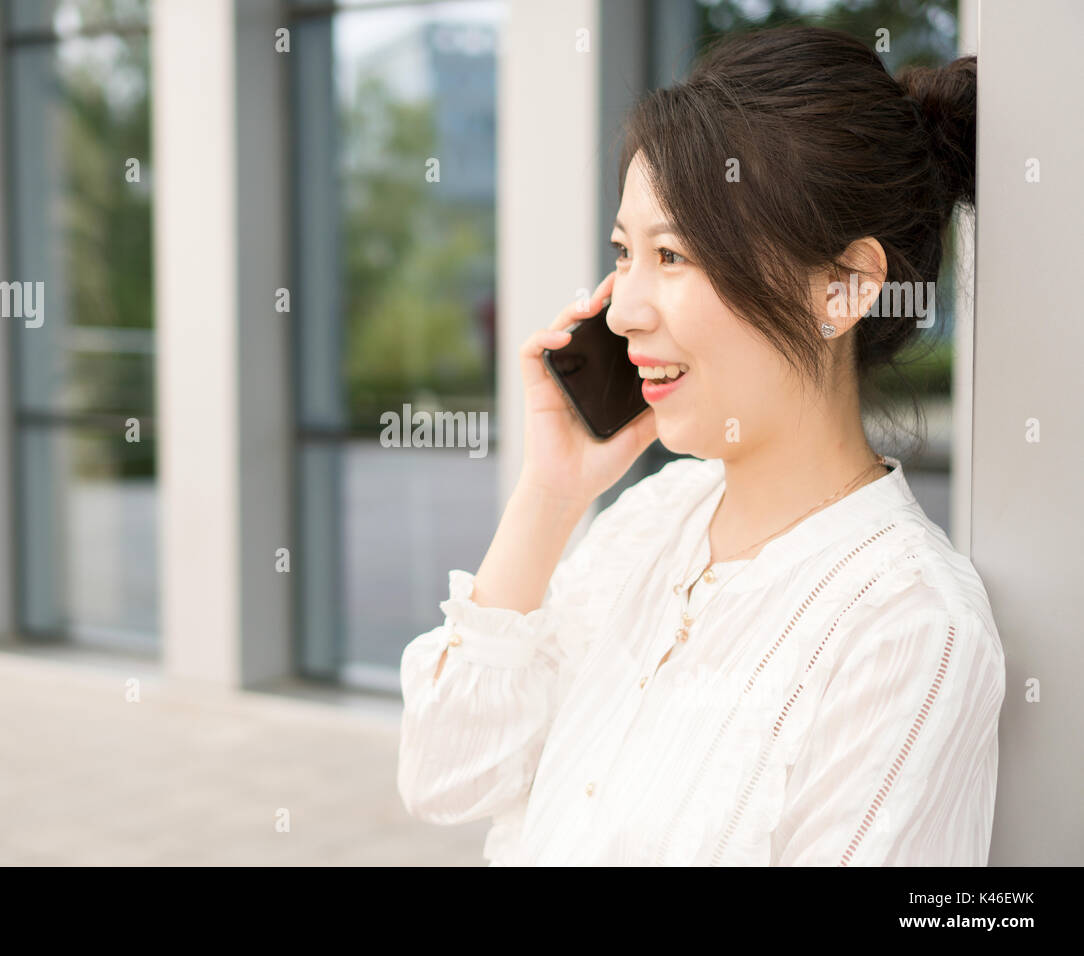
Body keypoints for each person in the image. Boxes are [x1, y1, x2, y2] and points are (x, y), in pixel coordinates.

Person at [396, 24, 1004, 866]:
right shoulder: (651, 522)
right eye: (624, 253)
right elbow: (443, 778)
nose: (620, 311)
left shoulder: (907, 627)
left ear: (847, 287)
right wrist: (551, 494)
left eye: (673, 254)